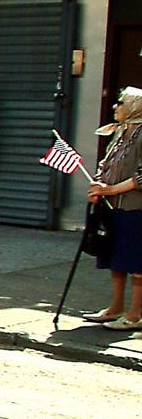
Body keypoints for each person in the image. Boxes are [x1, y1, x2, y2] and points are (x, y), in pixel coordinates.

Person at [87, 86, 142, 331]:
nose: (115, 106)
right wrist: (99, 184)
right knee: (116, 257)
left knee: (137, 262)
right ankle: (116, 307)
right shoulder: (120, 133)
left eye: (121, 102)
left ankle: (135, 314)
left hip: (135, 207)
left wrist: (111, 189)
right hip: (114, 207)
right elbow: (106, 162)